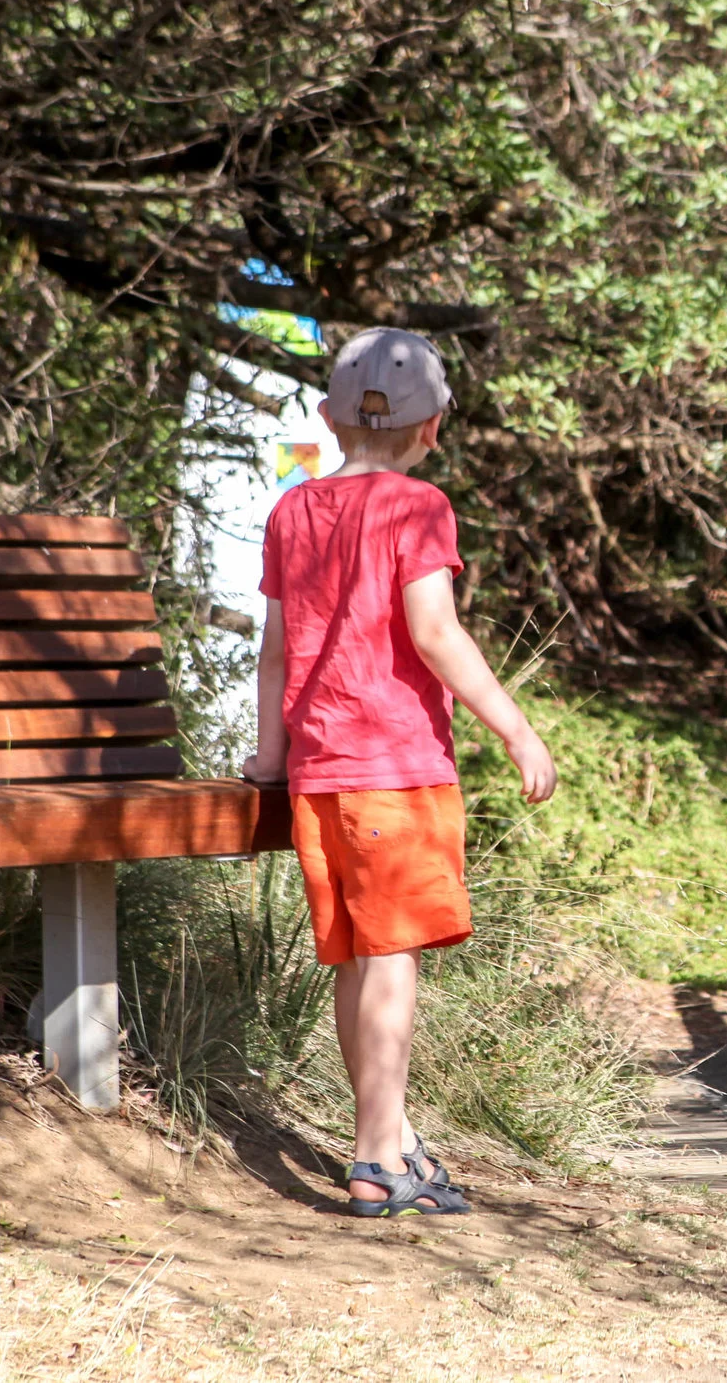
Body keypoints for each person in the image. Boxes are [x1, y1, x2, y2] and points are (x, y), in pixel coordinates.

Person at [242, 328, 558, 1218]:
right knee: (393, 962)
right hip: (394, 769)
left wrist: (270, 756)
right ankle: (378, 1156)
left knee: (357, 960)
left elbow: (273, 653)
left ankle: (394, 1137)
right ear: (435, 426)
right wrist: (519, 731)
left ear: (325, 417)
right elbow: (434, 631)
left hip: (316, 774)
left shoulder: (291, 511)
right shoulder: (419, 507)